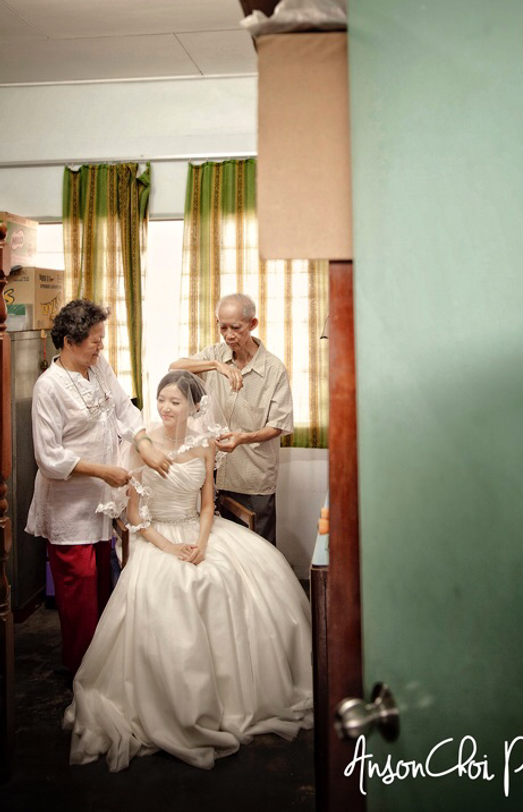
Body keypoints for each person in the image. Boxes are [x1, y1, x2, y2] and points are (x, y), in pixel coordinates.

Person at [64, 370, 313, 771]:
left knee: (233, 577)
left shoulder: (204, 447)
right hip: (156, 535)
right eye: (161, 399)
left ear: (194, 407)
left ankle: (234, 697)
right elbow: (133, 518)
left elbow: (207, 505)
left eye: (175, 402)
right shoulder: (141, 448)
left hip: (198, 530)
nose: (165, 408)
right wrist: (170, 546)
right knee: (180, 588)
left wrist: (200, 543)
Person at [26, 298, 171, 679]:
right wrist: (103, 472)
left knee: (103, 589)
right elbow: (50, 458)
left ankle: (104, 668)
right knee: (79, 598)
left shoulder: (98, 367)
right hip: (68, 508)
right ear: (71, 340)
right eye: (95, 339)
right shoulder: (49, 387)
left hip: (101, 504)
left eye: (102, 338)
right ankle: (82, 675)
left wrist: (144, 445)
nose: (101, 346)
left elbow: (124, 410)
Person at [170, 293, 294, 544]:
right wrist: (216, 365)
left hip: (253, 477)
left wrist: (243, 438)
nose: (228, 335)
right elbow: (175, 367)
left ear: (253, 323)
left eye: (236, 328)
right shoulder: (215, 354)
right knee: (223, 549)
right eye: (222, 327)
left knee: (260, 549)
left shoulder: (273, 369)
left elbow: (278, 425)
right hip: (215, 474)